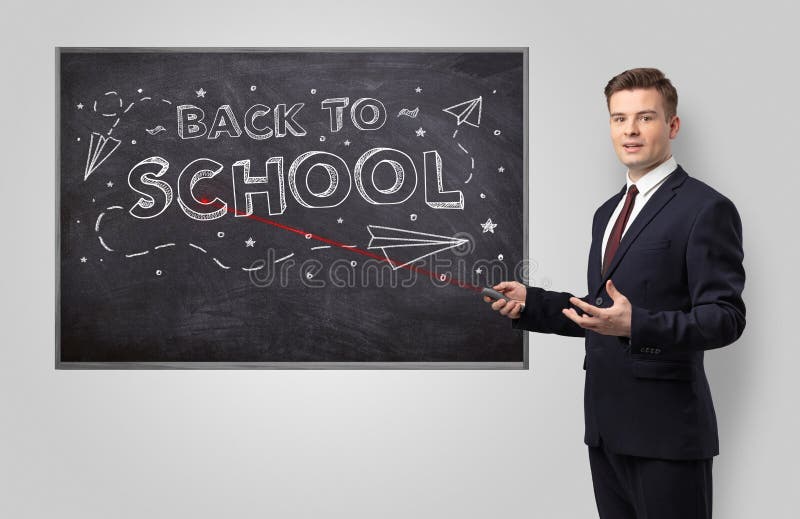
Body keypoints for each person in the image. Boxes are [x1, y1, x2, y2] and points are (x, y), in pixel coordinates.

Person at [486, 68, 745, 518]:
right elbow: (602, 310)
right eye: (618, 118)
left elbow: (725, 317)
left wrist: (637, 323)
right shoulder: (607, 212)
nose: (630, 130)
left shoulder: (706, 209)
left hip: (667, 435)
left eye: (645, 117)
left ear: (673, 125)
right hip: (606, 430)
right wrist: (534, 303)